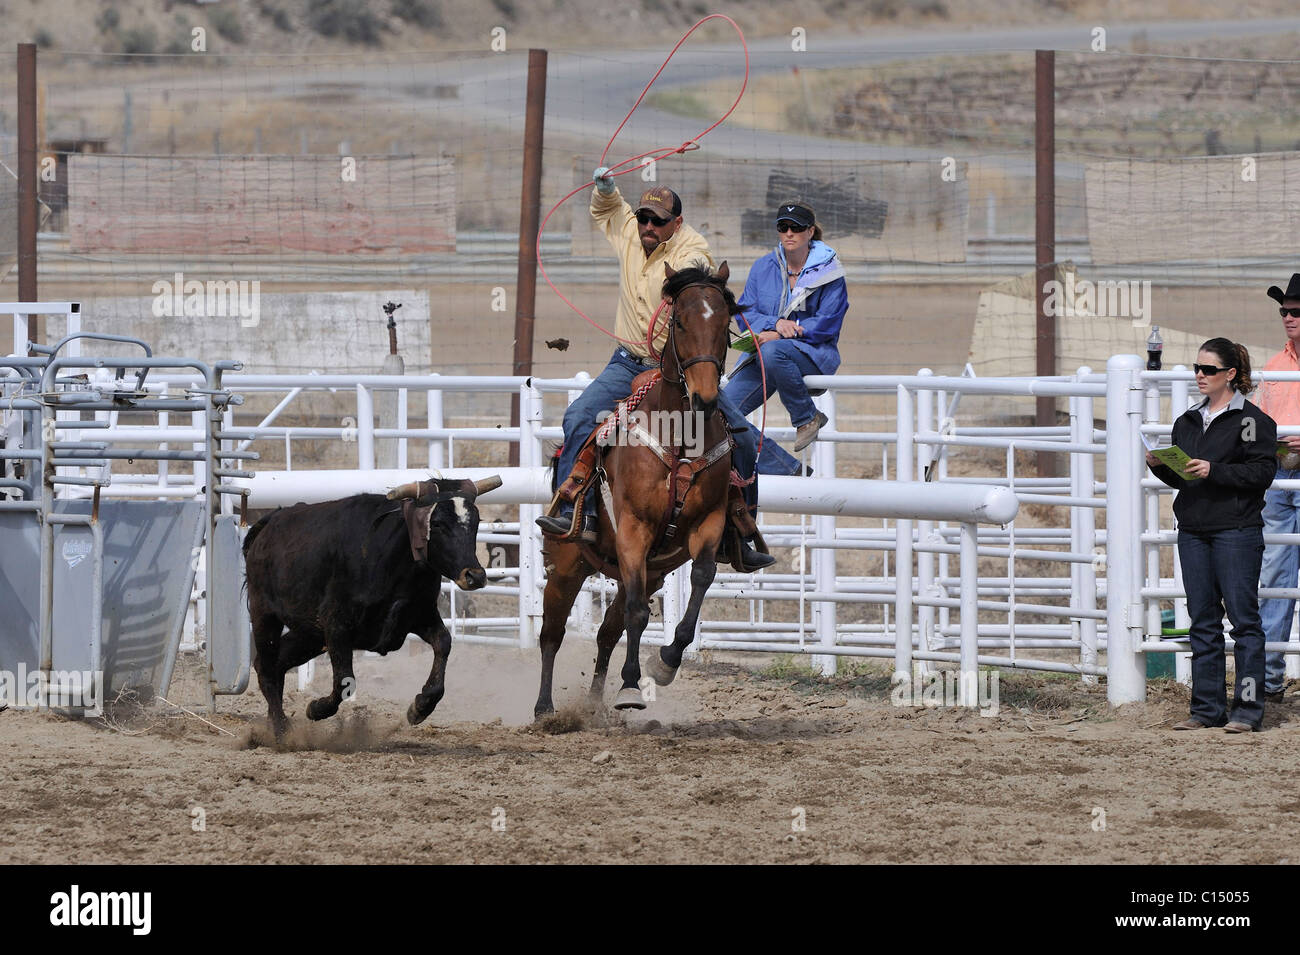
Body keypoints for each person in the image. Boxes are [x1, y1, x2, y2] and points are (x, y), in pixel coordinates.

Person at [536, 169, 775, 571]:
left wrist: (684, 285)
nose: (648, 226)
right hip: (626, 361)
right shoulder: (631, 232)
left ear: (676, 224)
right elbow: (609, 209)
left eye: (658, 221)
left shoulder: (692, 248)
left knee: (744, 439)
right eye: (644, 218)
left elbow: (696, 274)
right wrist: (606, 188)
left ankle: (740, 530)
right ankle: (575, 510)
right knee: (578, 416)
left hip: (679, 369)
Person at [1147, 339, 1277, 732]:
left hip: (1236, 530)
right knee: (1202, 620)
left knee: (1244, 622)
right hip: (1194, 529)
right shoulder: (1186, 421)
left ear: (1230, 375)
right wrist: (1161, 465)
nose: (1200, 376)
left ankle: (1248, 710)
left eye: (1208, 370)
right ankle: (1206, 709)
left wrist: (1214, 470)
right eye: (1196, 369)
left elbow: (1261, 473)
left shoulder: (1252, 421)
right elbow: (1184, 476)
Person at [723, 201, 848, 473]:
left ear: (811, 232)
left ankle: (806, 417)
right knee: (719, 413)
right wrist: (774, 325)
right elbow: (744, 314)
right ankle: (791, 472)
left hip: (811, 354)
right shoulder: (762, 267)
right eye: (783, 227)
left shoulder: (830, 271)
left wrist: (786, 330)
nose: (789, 233)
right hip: (764, 354)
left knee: (774, 351)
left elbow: (829, 322)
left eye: (797, 227)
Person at [1255, 272, 1300, 702]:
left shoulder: (1274, 366)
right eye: (1284, 310)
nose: (1288, 316)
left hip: (1287, 474)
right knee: (1274, 574)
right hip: (1280, 474)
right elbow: (1258, 418)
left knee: (1276, 570)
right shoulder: (1273, 366)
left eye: (1296, 311)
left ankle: (1268, 679)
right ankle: (1268, 681)